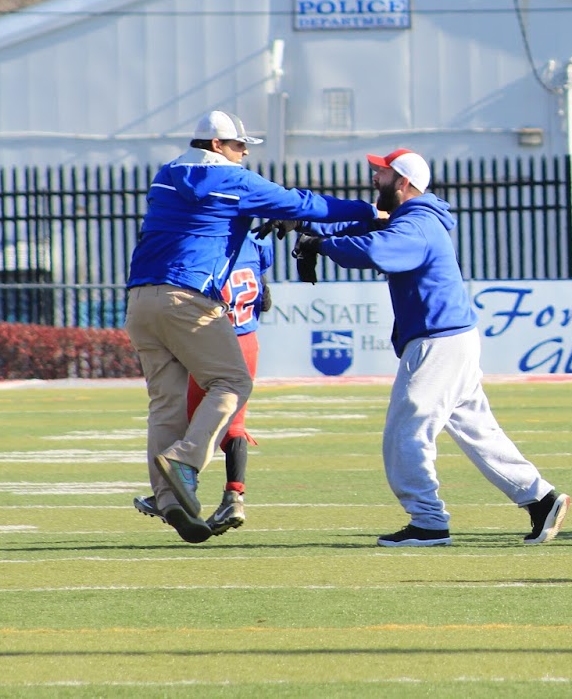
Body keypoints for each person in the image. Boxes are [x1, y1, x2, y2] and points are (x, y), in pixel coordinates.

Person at [126, 110, 382, 544]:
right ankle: (187, 460)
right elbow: (302, 203)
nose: (244, 153)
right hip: (187, 297)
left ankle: (169, 501)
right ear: (216, 145)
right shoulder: (233, 181)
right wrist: (368, 210)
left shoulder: (166, 174)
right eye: (239, 145)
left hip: (139, 301)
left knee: (165, 404)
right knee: (232, 381)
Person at [296, 147, 570, 548]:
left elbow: (377, 250)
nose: (375, 178)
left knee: (405, 432)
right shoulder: (418, 218)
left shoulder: (418, 224)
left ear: (403, 183)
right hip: (451, 337)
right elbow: (376, 235)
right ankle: (541, 499)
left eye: (383, 174)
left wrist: (321, 245)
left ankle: (428, 523)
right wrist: (316, 232)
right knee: (479, 432)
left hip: (438, 341)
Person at [134, 233, 273, 535]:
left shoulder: (203, 244)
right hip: (247, 338)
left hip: (210, 337)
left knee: (187, 418)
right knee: (231, 422)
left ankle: (179, 492)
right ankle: (233, 496)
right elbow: (264, 295)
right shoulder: (257, 244)